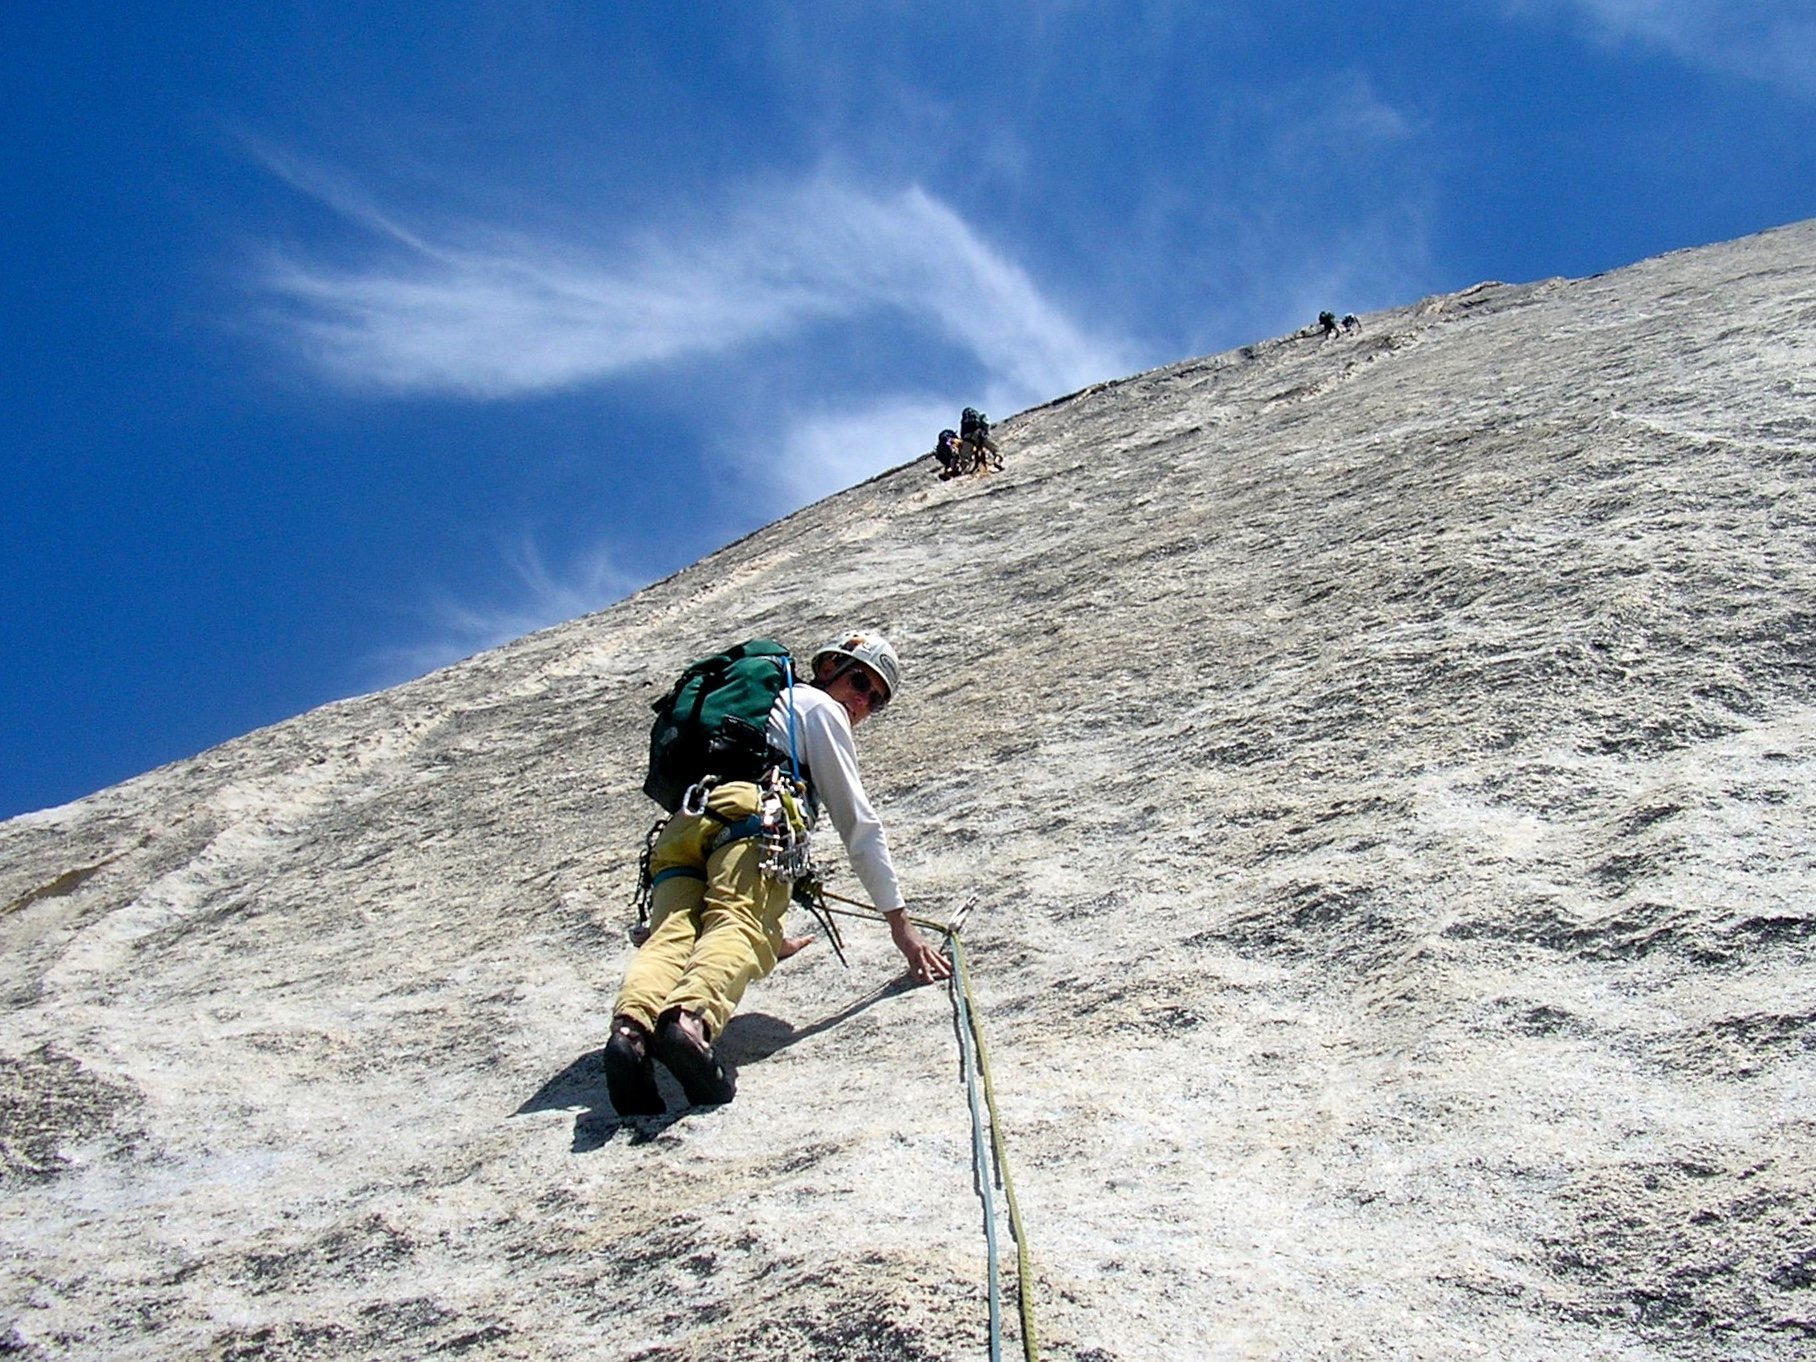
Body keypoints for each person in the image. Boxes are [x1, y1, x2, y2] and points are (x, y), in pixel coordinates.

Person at [604, 631, 951, 1115]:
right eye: (859, 682)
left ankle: (630, 1034)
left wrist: (776, 934)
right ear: (827, 667)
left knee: (671, 936)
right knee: (738, 924)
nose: (862, 701)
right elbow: (858, 824)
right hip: (749, 818)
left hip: (682, 827)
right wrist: (902, 927)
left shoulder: (765, 707)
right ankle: (689, 1024)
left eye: (876, 700)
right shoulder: (819, 709)